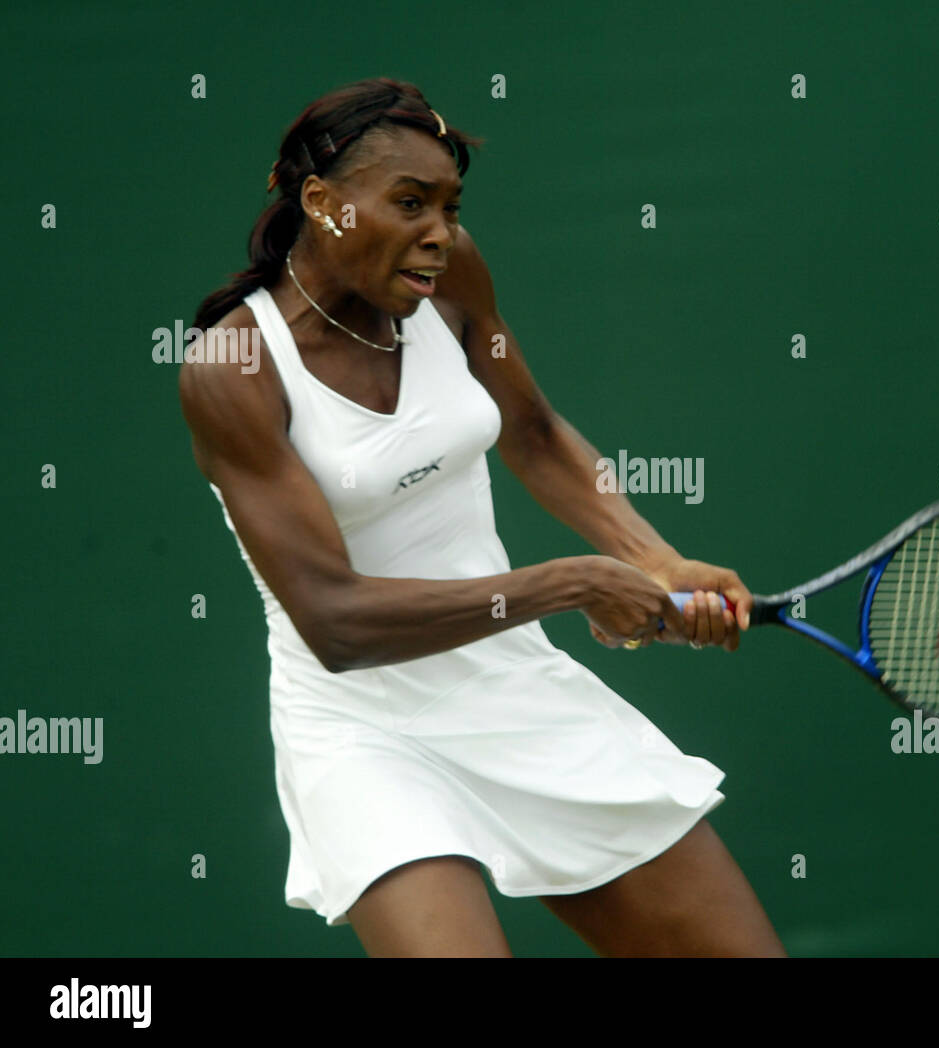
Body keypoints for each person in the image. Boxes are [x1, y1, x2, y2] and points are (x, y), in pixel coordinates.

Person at [179, 78, 786, 957]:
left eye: (451, 207)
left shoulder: (448, 275)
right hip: (361, 731)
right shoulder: (232, 368)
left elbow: (533, 431)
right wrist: (575, 582)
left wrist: (654, 557)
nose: (439, 233)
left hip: (512, 688)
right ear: (322, 203)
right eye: (410, 203)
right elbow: (335, 622)